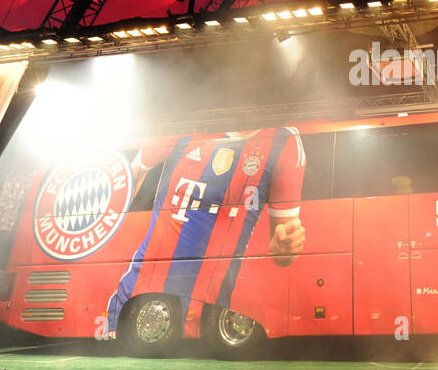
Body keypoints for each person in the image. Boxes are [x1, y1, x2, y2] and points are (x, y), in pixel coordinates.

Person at [107, 126, 306, 339]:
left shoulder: (284, 141)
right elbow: (130, 178)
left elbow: (284, 246)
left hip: (211, 312)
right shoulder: (185, 121)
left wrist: (286, 248)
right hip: (138, 296)